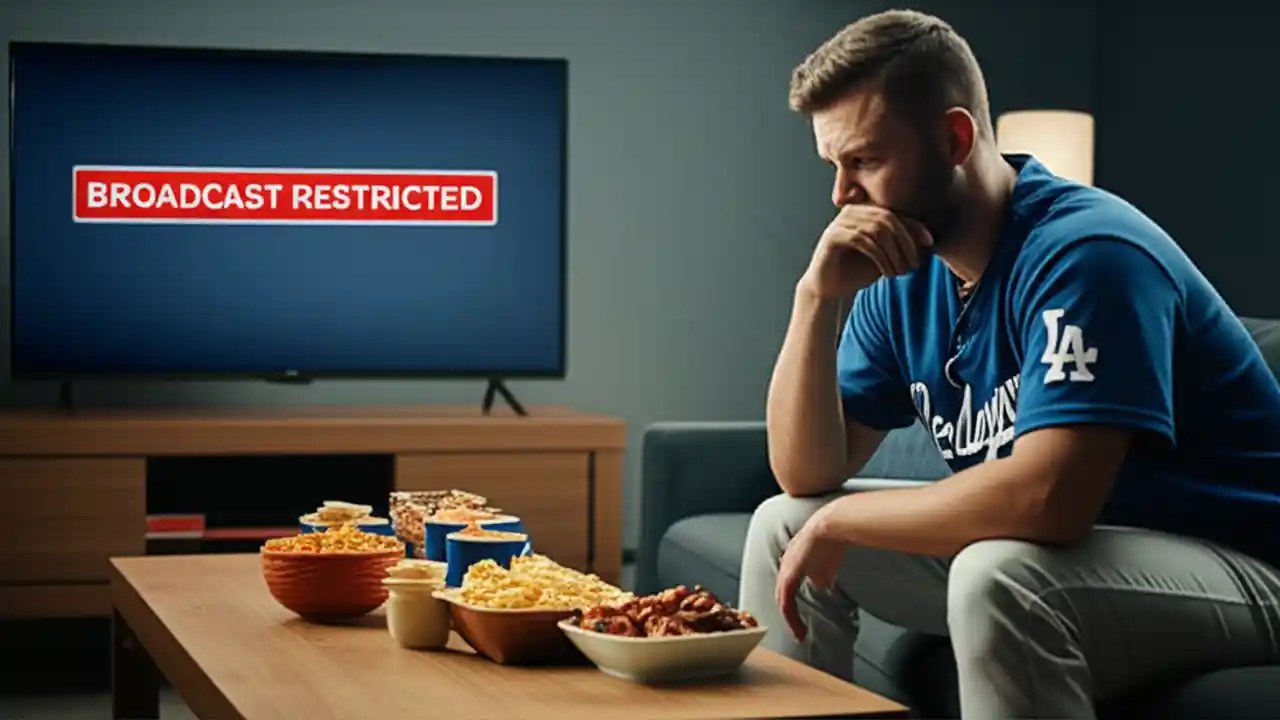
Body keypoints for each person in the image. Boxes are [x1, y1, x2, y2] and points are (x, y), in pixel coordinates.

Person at [742, 8, 1280, 719]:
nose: (842, 196)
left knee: (1000, 575)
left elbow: (1049, 501)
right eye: (834, 166)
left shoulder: (1088, 253)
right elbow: (806, 472)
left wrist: (844, 524)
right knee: (784, 523)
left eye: (864, 161)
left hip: (1241, 563)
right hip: (1096, 556)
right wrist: (814, 299)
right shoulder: (903, 273)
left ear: (955, 137)